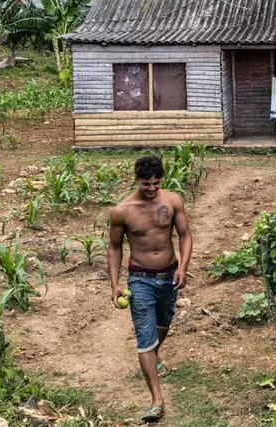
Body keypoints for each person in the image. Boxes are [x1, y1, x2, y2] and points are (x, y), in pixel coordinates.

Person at [108, 156, 193, 423]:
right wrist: (115, 284)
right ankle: (157, 399)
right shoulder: (122, 211)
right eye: (146, 184)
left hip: (169, 275)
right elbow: (114, 247)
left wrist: (183, 266)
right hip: (140, 279)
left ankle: (154, 356)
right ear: (136, 179)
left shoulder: (173, 201)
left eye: (157, 183)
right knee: (145, 339)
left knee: (164, 324)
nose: (152, 189)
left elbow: (185, 235)